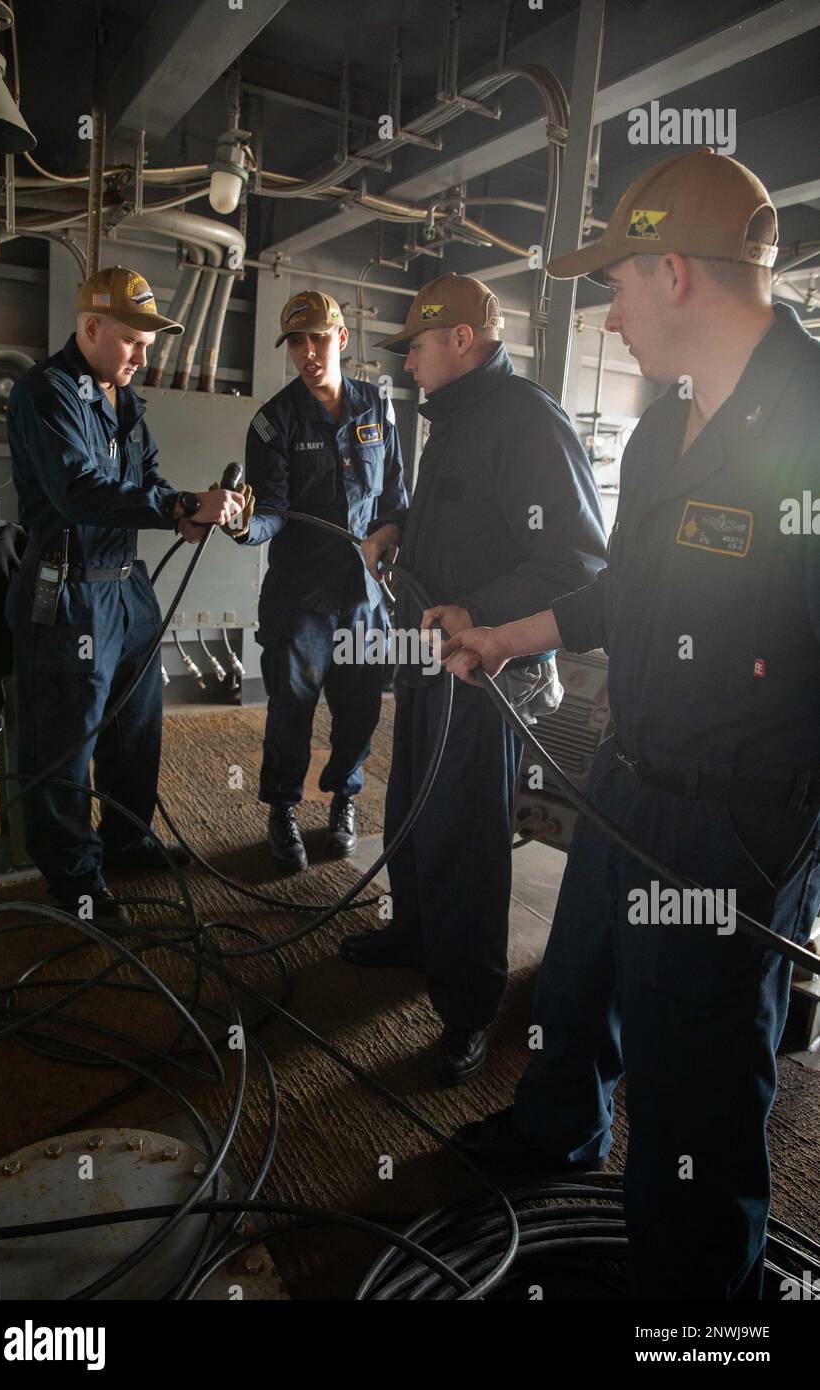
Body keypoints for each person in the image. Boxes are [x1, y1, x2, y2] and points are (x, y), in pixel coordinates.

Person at [442, 150, 820, 1298]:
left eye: (615, 282)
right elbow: (623, 593)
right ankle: (557, 1129)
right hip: (628, 768)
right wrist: (506, 636)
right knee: (579, 975)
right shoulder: (664, 429)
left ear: (673, 272)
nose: (606, 315)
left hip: (733, 819)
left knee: (692, 1072)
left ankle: (698, 1301)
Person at [340, 272, 608, 1085]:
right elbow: (462, 515)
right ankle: (415, 933)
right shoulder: (453, 420)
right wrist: (399, 527)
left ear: (461, 338)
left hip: (486, 667)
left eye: (416, 345)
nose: (408, 362)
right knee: (412, 801)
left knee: (465, 832)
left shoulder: (530, 423)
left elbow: (581, 558)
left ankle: (468, 1009)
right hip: (430, 655)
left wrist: (481, 611)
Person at [6, 265, 253, 926]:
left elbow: (145, 478)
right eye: (132, 341)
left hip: (127, 592)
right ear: (89, 327)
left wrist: (185, 515)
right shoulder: (45, 393)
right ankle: (74, 876)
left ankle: (127, 837)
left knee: (134, 731)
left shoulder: (127, 403)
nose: (145, 356)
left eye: (150, 343)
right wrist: (174, 502)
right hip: (68, 592)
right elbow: (78, 492)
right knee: (66, 743)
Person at [241, 289, 407, 871]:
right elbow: (270, 512)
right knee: (293, 708)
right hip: (301, 599)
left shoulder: (377, 408)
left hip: (364, 598)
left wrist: (391, 539)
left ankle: (343, 798)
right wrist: (243, 524)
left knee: (360, 708)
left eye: (316, 338)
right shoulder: (272, 422)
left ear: (341, 339)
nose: (306, 352)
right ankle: (283, 806)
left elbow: (395, 499)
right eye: (294, 342)